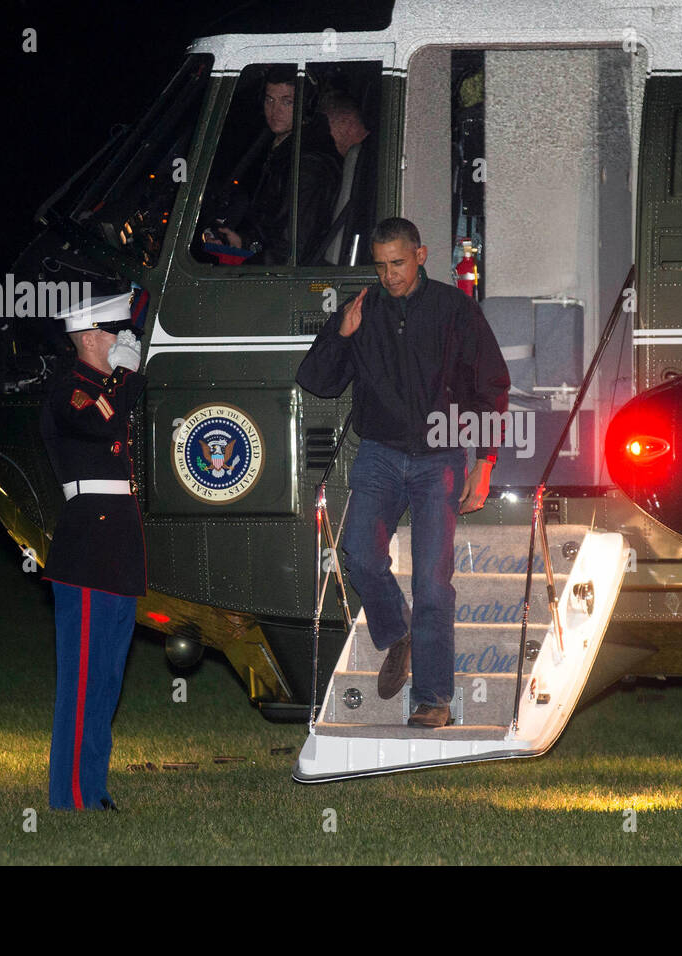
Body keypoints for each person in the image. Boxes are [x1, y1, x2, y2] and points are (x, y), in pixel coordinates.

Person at [295, 217, 510, 728]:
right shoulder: (361, 311)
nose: (389, 275)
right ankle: (398, 634)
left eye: (398, 263)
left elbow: (490, 386)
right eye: (380, 265)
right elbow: (316, 382)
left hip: (441, 456)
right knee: (360, 555)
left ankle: (433, 701)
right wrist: (340, 336)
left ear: (420, 255)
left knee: (434, 583)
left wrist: (485, 462)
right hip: (379, 454)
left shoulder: (454, 309)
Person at [39, 291, 146, 810]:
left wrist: (125, 376)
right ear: (86, 337)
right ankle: (70, 796)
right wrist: (122, 376)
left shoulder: (106, 385)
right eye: (112, 332)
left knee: (105, 679)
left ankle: (93, 790)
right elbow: (100, 422)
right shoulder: (71, 390)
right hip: (87, 547)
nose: (121, 339)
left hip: (117, 546)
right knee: (81, 682)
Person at [213, 66, 340, 266]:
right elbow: (272, 224)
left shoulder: (308, 164)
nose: (275, 111)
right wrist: (242, 242)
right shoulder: (284, 151)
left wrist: (241, 266)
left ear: (306, 106)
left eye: (287, 102)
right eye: (269, 100)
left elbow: (292, 252)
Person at [318, 90, 377, 265]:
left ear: (347, 123)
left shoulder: (365, 163)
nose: (324, 138)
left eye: (328, 128)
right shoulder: (365, 159)